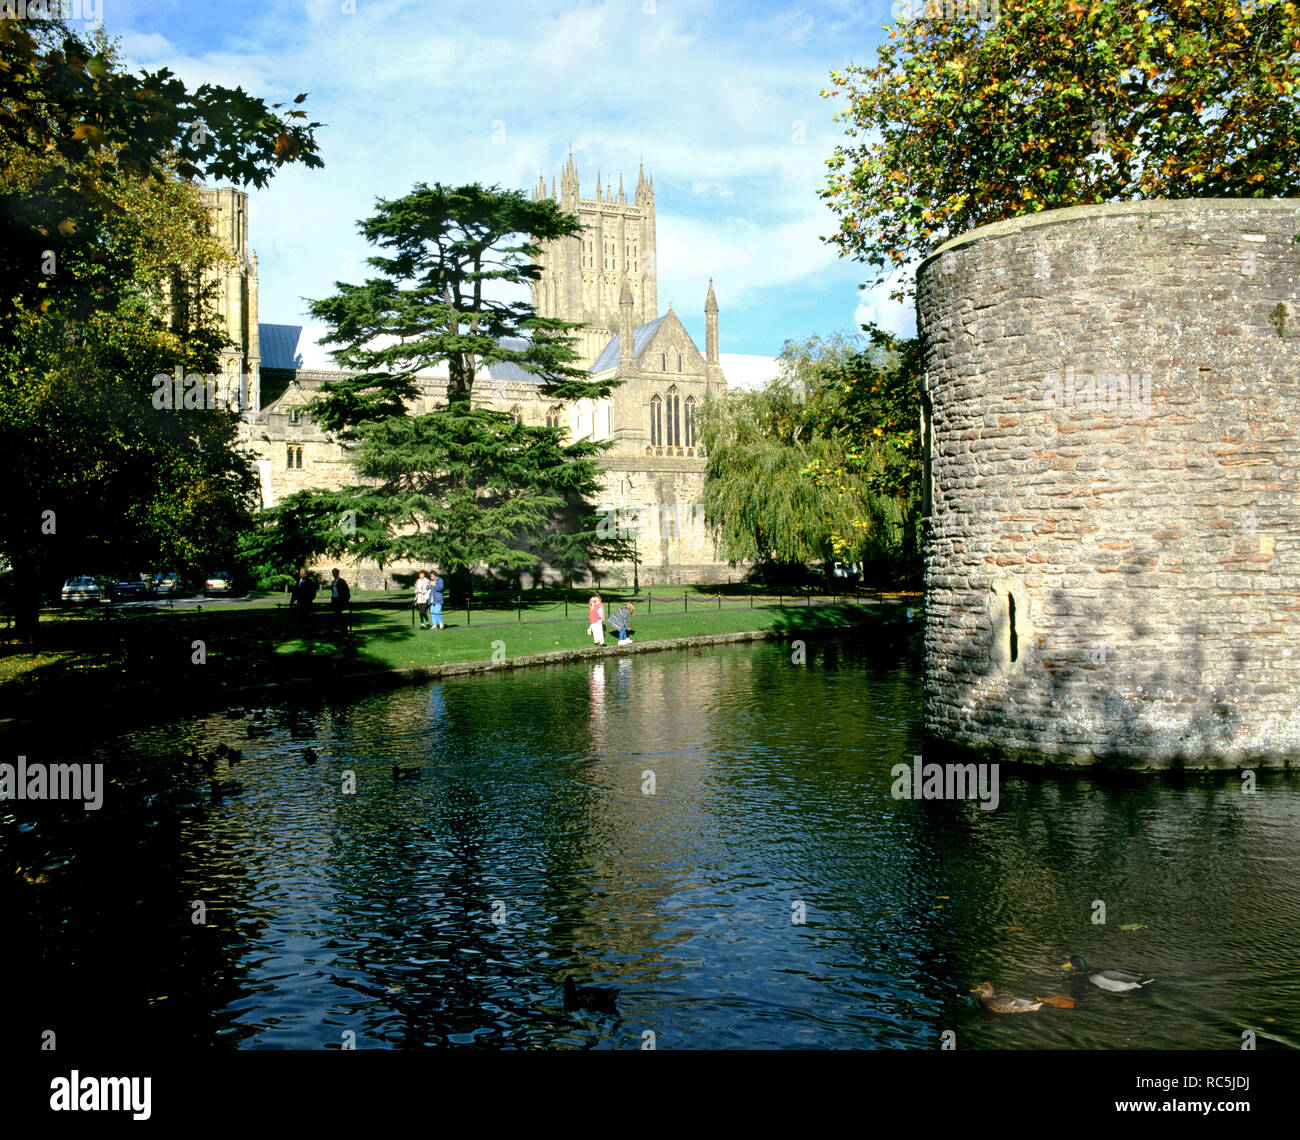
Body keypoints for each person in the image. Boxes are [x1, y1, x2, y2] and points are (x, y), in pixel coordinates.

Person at [328, 568, 351, 635]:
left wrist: (345, 601)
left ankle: (332, 630)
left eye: (335, 573)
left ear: (337, 573)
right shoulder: (333, 582)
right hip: (335, 600)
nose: (333, 574)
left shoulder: (342, 582)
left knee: (337, 615)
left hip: (339, 600)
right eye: (333, 573)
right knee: (338, 616)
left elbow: (346, 592)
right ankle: (342, 630)